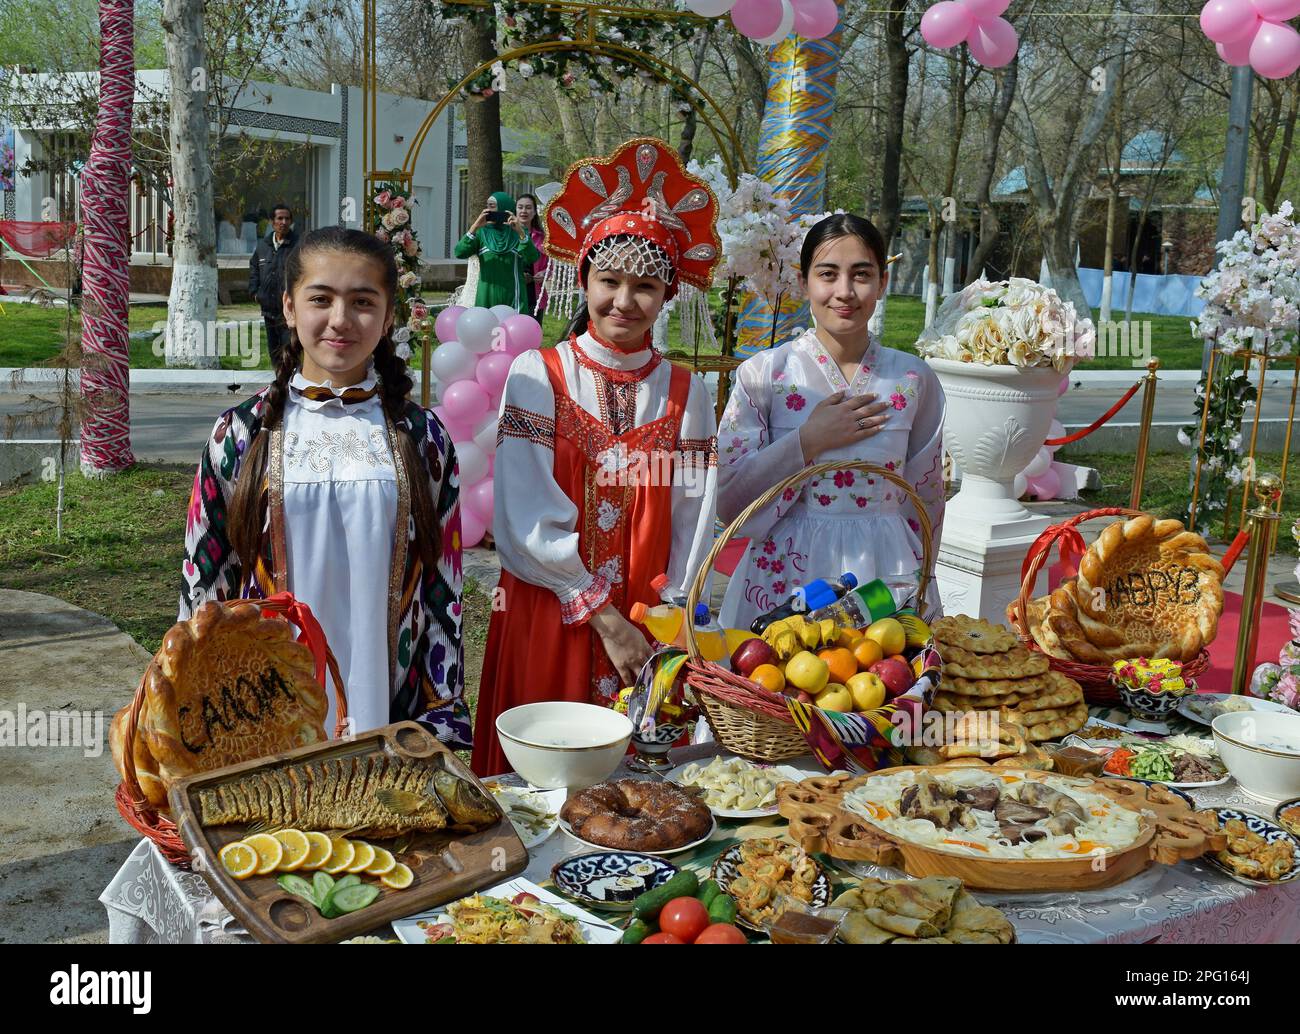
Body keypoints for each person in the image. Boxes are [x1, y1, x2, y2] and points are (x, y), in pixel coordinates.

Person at [471, 139, 721, 777]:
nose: (623, 302)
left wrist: (671, 622)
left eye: (644, 286)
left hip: (647, 616)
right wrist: (598, 612)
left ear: (667, 294)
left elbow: (694, 518)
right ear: (581, 280)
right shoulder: (538, 374)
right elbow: (522, 514)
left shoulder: (689, 392)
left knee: (640, 800)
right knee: (545, 786)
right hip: (551, 605)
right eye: (608, 281)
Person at [181, 227, 468, 746]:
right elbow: (205, 584)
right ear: (289, 307)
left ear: (388, 316)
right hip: (262, 703)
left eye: (362, 301)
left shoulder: (424, 439)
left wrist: (441, 715)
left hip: (390, 703)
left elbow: (443, 588)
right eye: (321, 299)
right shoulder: (239, 435)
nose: (340, 320)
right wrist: (196, 701)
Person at [716, 213, 946, 632]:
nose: (845, 292)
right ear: (803, 283)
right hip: (787, 575)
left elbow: (926, 501)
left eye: (861, 274)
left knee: (886, 684)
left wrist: (924, 575)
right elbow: (730, 502)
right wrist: (807, 441)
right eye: (827, 274)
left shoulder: (914, 380)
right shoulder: (765, 375)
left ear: (883, 282)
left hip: (887, 571)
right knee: (778, 685)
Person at [453, 192, 539, 312]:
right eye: (487, 206)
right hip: (486, 296)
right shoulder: (481, 232)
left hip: (514, 296)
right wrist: (475, 226)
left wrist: (520, 232)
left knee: (513, 329)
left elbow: (532, 258)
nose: (488, 209)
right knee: (485, 329)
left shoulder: (517, 231)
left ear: (505, 207)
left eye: (492, 206)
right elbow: (459, 253)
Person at [249, 203, 298, 368]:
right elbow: (254, 267)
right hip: (268, 308)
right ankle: (278, 383)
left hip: (290, 310)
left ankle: (290, 383)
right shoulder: (263, 245)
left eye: (287, 218)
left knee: (289, 350)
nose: (283, 222)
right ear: (272, 222)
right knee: (274, 351)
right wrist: (255, 292)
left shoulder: (298, 245)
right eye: (280, 218)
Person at [516, 192, 549, 317]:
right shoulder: (508, 236)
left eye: (528, 207)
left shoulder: (543, 237)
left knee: (532, 330)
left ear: (535, 212)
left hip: (535, 293)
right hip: (513, 292)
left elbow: (550, 264)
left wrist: (545, 273)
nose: (524, 211)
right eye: (520, 207)